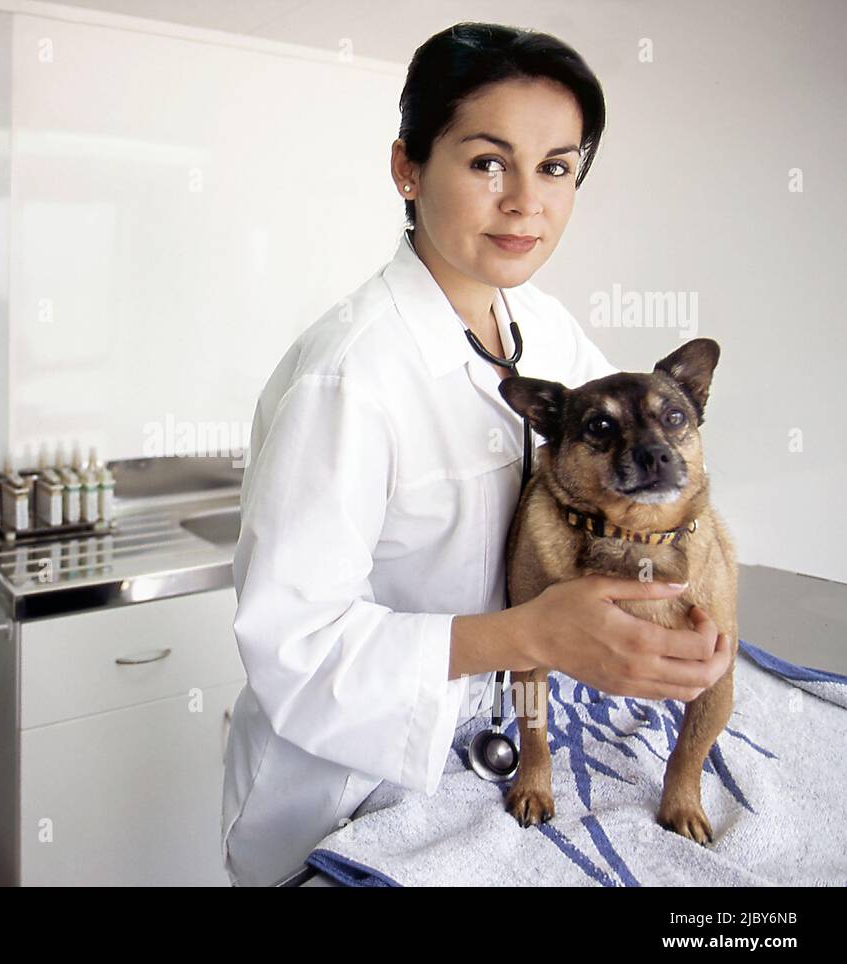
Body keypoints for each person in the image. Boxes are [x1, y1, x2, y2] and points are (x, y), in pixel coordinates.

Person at [220, 21, 733, 887]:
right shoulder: (348, 377)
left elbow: (622, 485)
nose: (526, 200)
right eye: (488, 161)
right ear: (408, 169)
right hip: (353, 798)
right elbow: (295, 650)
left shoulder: (548, 330)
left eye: (556, 167)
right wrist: (529, 633)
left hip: (495, 760)